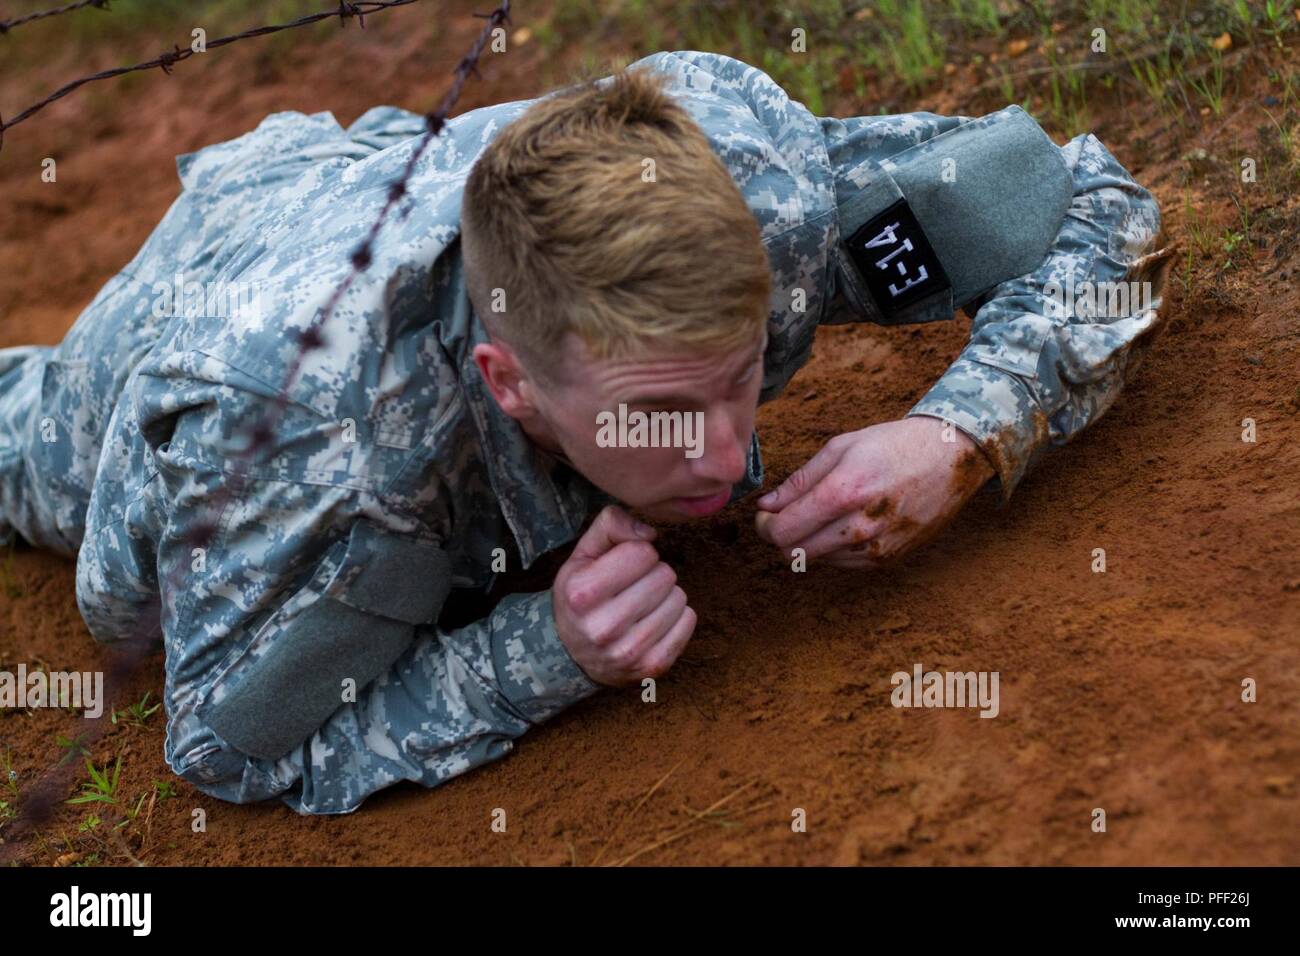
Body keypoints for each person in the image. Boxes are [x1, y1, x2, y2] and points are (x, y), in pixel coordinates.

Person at [0, 50, 1170, 814]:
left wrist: (957, 430)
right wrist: (545, 653)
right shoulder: (320, 446)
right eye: (661, 414)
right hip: (177, 333)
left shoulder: (740, 189)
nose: (724, 454)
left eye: (738, 376)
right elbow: (226, 742)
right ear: (510, 387)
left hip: (359, 171)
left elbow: (1090, 209)